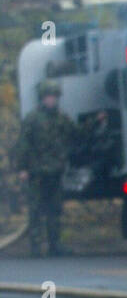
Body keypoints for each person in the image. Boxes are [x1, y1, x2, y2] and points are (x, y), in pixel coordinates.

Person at [15, 80, 77, 256]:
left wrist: (95, 123)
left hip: (55, 171)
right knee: (35, 210)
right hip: (36, 172)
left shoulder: (62, 118)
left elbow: (75, 133)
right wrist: (22, 168)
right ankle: (35, 246)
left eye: (54, 97)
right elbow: (23, 144)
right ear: (42, 98)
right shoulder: (32, 118)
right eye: (48, 97)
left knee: (55, 209)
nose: (51, 100)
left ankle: (55, 244)